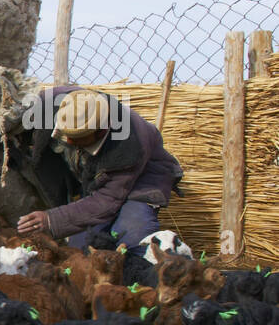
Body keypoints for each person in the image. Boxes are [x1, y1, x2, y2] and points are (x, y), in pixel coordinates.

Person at [17, 87, 183, 248]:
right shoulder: (53, 104)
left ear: (101, 131)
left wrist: (51, 220)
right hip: (96, 180)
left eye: (77, 139)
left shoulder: (128, 145)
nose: (68, 142)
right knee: (80, 248)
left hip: (141, 183)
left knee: (131, 238)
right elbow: (16, 125)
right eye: (65, 134)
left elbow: (107, 200)